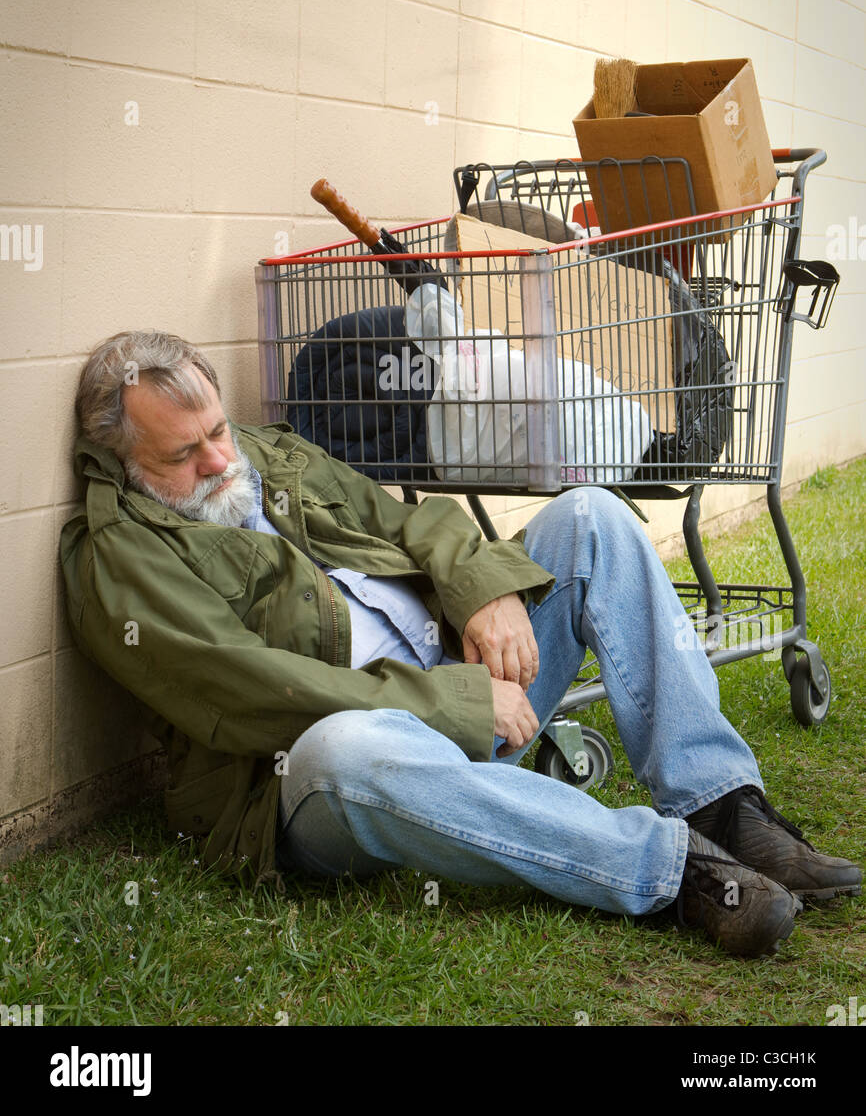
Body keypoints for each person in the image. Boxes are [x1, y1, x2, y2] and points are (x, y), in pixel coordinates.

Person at [60, 331, 861, 959]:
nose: (219, 460)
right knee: (345, 748)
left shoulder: (262, 455)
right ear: (126, 466)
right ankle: (673, 871)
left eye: (217, 430)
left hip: (467, 687)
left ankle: (720, 804)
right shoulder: (116, 556)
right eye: (183, 455)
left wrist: (484, 592)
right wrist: (454, 701)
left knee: (590, 517)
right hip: (311, 775)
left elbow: (409, 522)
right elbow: (249, 690)